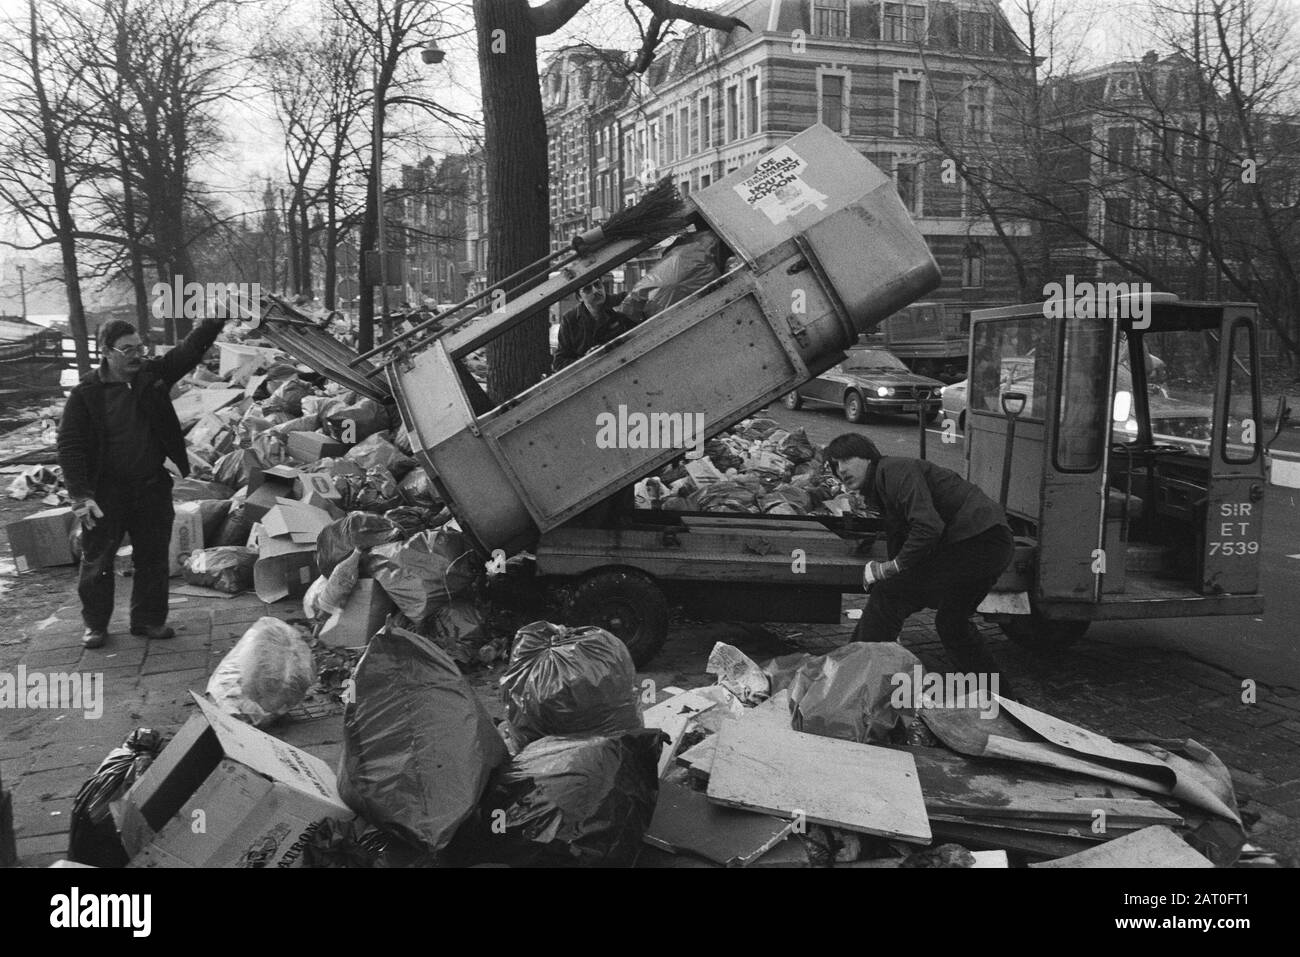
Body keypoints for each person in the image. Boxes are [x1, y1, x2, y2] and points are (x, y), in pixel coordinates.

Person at [58, 314, 231, 649]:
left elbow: (189, 350)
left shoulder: (153, 376)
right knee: (98, 561)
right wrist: (80, 495)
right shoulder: (86, 394)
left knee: (152, 557)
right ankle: (95, 625)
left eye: (139, 347)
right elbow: (70, 445)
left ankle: (149, 620)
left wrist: (216, 318)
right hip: (105, 492)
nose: (136, 355)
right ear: (106, 352)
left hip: (150, 485)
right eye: (127, 350)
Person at [825, 432, 1016, 691]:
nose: (841, 469)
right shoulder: (882, 484)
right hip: (987, 544)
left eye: (845, 459)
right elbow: (903, 537)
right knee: (952, 624)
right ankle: (1001, 699)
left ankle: (854, 682)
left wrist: (892, 568)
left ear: (868, 456)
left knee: (889, 595)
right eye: (835, 466)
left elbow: (927, 527)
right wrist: (896, 567)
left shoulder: (895, 471)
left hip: (979, 541)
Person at [552, 275, 629, 372]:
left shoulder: (622, 302)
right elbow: (559, 363)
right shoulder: (570, 320)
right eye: (587, 289)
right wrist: (586, 361)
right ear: (579, 297)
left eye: (597, 285)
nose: (595, 291)